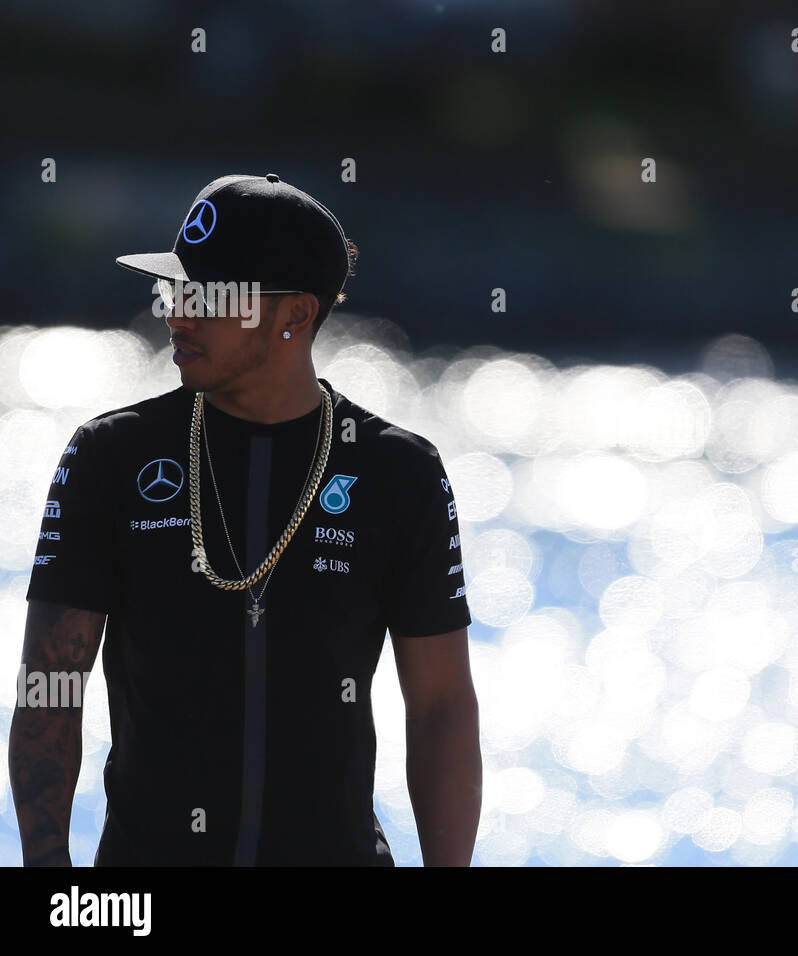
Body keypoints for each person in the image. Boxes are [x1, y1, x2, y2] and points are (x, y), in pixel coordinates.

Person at [8, 173, 481, 866]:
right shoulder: (111, 456)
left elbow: (441, 708)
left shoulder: (398, 472)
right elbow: (51, 687)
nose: (176, 315)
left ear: (295, 314)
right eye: (173, 291)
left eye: (206, 297)